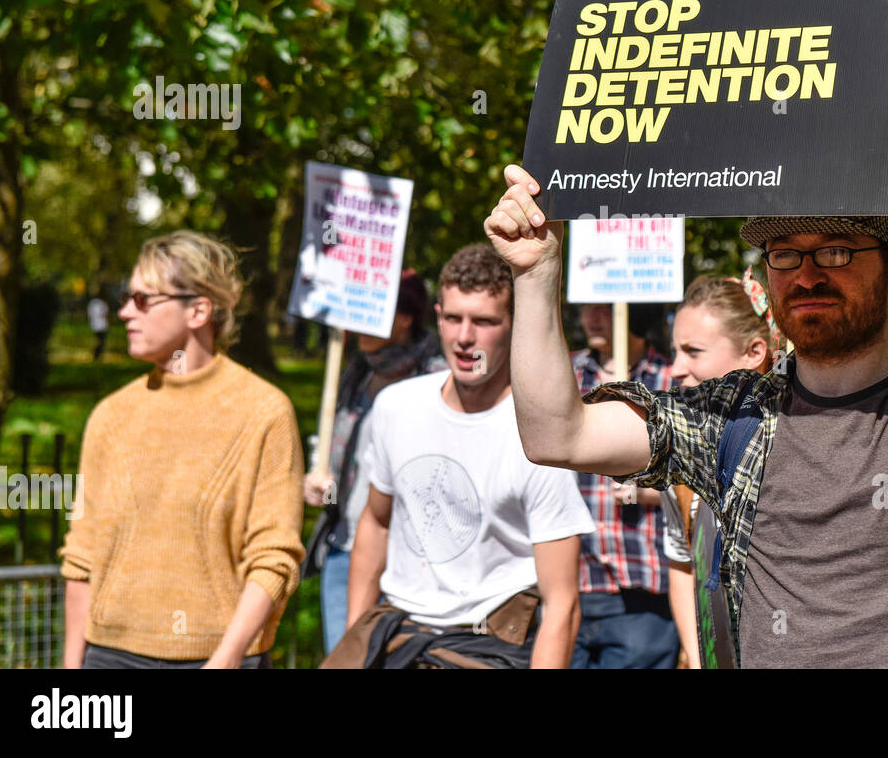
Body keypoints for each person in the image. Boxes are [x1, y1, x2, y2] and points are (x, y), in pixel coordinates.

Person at [485, 133, 888, 668]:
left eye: (835, 247)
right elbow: (559, 437)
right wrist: (536, 274)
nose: (805, 273)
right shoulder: (731, 420)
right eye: (783, 254)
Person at [335, 244, 592, 668]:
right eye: (453, 318)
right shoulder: (395, 407)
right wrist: (357, 639)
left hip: (490, 645)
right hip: (398, 638)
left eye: (484, 321)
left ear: (514, 325)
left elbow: (562, 603)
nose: (464, 337)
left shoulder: (538, 437)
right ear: (437, 316)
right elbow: (376, 521)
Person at [60, 231, 305, 668]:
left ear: (198, 310)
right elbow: (81, 558)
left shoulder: (264, 413)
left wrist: (226, 659)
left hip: (219, 659)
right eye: (125, 297)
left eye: (142, 299)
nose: (123, 312)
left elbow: (274, 558)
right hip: (110, 658)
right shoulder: (110, 416)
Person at [302, 269, 447, 654]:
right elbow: (337, 452)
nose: (355, 315)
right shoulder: (354, 374)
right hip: (343, 550)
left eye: (370, 304)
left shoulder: (440, 378)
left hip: (409, 558)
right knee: (346, 657)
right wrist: (318, 481)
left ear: (405, 317)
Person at [662, 271, 779, 668]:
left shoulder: (795, 443)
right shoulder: (680, 449)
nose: (675, 368)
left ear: (754, 352)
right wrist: (697, 658)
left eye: (693, 352)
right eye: (675, 351)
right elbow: (681, 564)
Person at [569, 301, 678, 669]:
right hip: (567, 582)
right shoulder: (564, 375)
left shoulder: (671, 379)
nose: (593, 315)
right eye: (587, 304)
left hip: (640, 585)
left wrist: (648, 492)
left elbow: (703, 485)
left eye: (605, 305)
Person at [87, 289, 109, 362]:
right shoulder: (103, 303)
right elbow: (105, 314)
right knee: (101, 342)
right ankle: (97, 355)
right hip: (102, 325)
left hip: (94, 325)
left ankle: (97, 356)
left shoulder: (92, 303)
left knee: (99, 341)